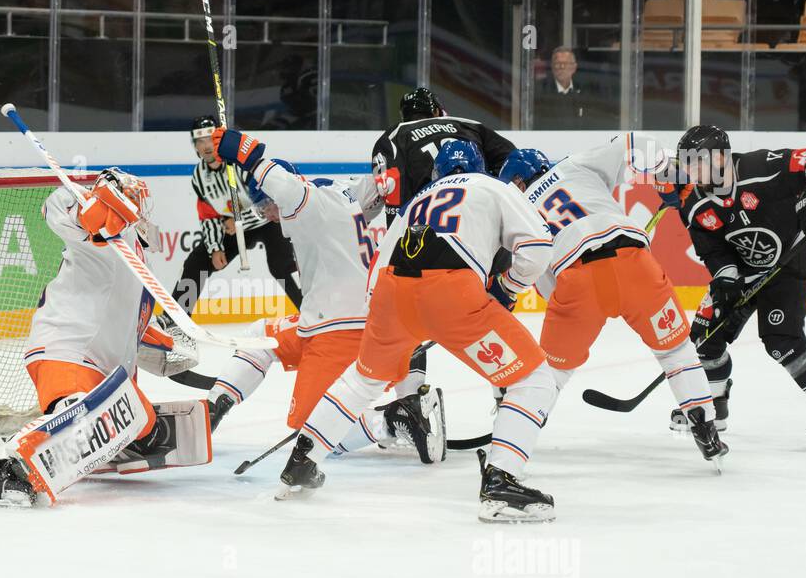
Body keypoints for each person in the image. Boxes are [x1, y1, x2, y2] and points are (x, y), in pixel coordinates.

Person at [279, 140, 561, 522]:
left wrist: (398, 323)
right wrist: (508, 286)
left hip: (391, 293)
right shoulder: (491, 186)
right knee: (535, 378)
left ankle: (300, 463)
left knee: (363, 381)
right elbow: (537, 248)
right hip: (450, 289)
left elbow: (376, 274)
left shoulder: (416, 201)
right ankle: (501, 482)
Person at [0, 171, 212, 506]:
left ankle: (106, 446)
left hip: (104, 371)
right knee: (85, 415)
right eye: (132, 196)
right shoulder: (100, 235)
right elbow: (55, 206)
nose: (139, 205)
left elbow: (131, 330)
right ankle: (0, 468)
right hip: (67, 350)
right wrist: (89, 208)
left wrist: (170, 351)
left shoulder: (134, 257)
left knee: (142, 418)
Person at [203, 127, 445, 461]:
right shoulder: (341, 191)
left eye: (266, 208)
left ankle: (392, 420)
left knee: (312, 430)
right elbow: (381, 186)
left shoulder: (304, 202)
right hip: (365, 318)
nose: (268, 217)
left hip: (340, 329)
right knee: (261, 335)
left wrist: (248, 156)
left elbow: (285, 186)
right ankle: (213, 408)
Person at [498, 138, 726, 465]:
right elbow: (634, 143)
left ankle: (524, 424)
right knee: (676, 351)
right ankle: (704, 425)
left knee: (548, 375)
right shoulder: (574, 165)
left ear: (520, 179)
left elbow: (545, 283)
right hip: (635, 265)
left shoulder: (519, 212)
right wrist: (667, 173)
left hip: (576, 281)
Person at [659, 125, 806, 449]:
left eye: (699, 162)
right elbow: (713, 250)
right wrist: (726, 280)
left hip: (788, 266)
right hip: (745, 273)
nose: (693, 171)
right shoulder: (694, 204)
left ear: (721, 157)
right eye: (689, 163)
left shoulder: (760, 168)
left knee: (782, 341)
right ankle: (715, 409)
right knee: (705, 337)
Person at [172, 115, 303, 315]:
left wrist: (240, 219)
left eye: (210, 139)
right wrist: (215, 248)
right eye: (200, 141)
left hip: (269, 221)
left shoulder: (239, 165)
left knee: (281, 267)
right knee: (197, 262)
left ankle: (309, 314)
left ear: (218, 139)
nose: (206, 146)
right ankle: (176, 320)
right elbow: (209, 217)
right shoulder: (199, 177)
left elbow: (269, 203)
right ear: (195, 146)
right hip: (233, 227)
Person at [368, 86, 516, 221]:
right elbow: (512, 159)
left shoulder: (395, 135)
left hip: (429, 214)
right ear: (437, 111)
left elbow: (390, 182)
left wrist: (396, 228)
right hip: (478, 204)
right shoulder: (468, 124)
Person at [535, 46, 592, 128]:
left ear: (574, 68)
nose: (562, 67)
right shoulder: (540, 90)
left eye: (566, 63)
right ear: (552, 67)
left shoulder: (585, 90)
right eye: (558, 63)